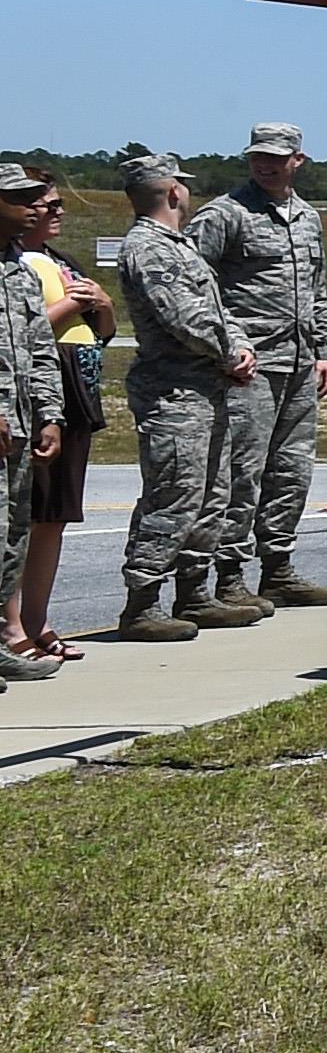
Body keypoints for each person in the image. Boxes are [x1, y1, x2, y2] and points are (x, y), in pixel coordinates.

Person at [188, 120, 327, 612]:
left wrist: (325, 350)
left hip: (298, 362)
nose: (265, 164)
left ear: (298, 160)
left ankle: (278, 567)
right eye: (258, 155)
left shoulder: (308, 217)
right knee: (242, 472)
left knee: (291, 472)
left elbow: (315, 289)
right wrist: (227, 344)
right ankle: (229, 575)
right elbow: (194, 282)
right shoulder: (225, 214)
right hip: (250, 364)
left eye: (276, 156)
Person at [111, 157, 255, 640]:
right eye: (184, 188)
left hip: (205, 386)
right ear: (173, 192)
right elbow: (182, 315)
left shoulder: (181, 247)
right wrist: (229, 350)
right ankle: (143, 602)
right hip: (172, 392)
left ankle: (195, 591)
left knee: (213, 494)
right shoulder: (148, 248)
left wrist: (239, 346)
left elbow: (215, 307)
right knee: (173, 495)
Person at [14, 171, 113, 663]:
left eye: (54, 204)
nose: (51, 211)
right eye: (39, 203)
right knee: (23, 516)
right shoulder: (17, 266)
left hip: (71, 395)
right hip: (32, 396)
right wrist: (68, 304)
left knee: (53, 515)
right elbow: (24, 333)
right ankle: (14, 625)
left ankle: (38, 619)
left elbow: (101, 331)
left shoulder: (59, 262)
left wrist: (103, 306)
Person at [0, 171, 56, 681]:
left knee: (12, 534)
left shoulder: (19, 269)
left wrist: (50, 415)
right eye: (20, 201)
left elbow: (40, 348)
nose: (35, 208)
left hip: (19, 425)